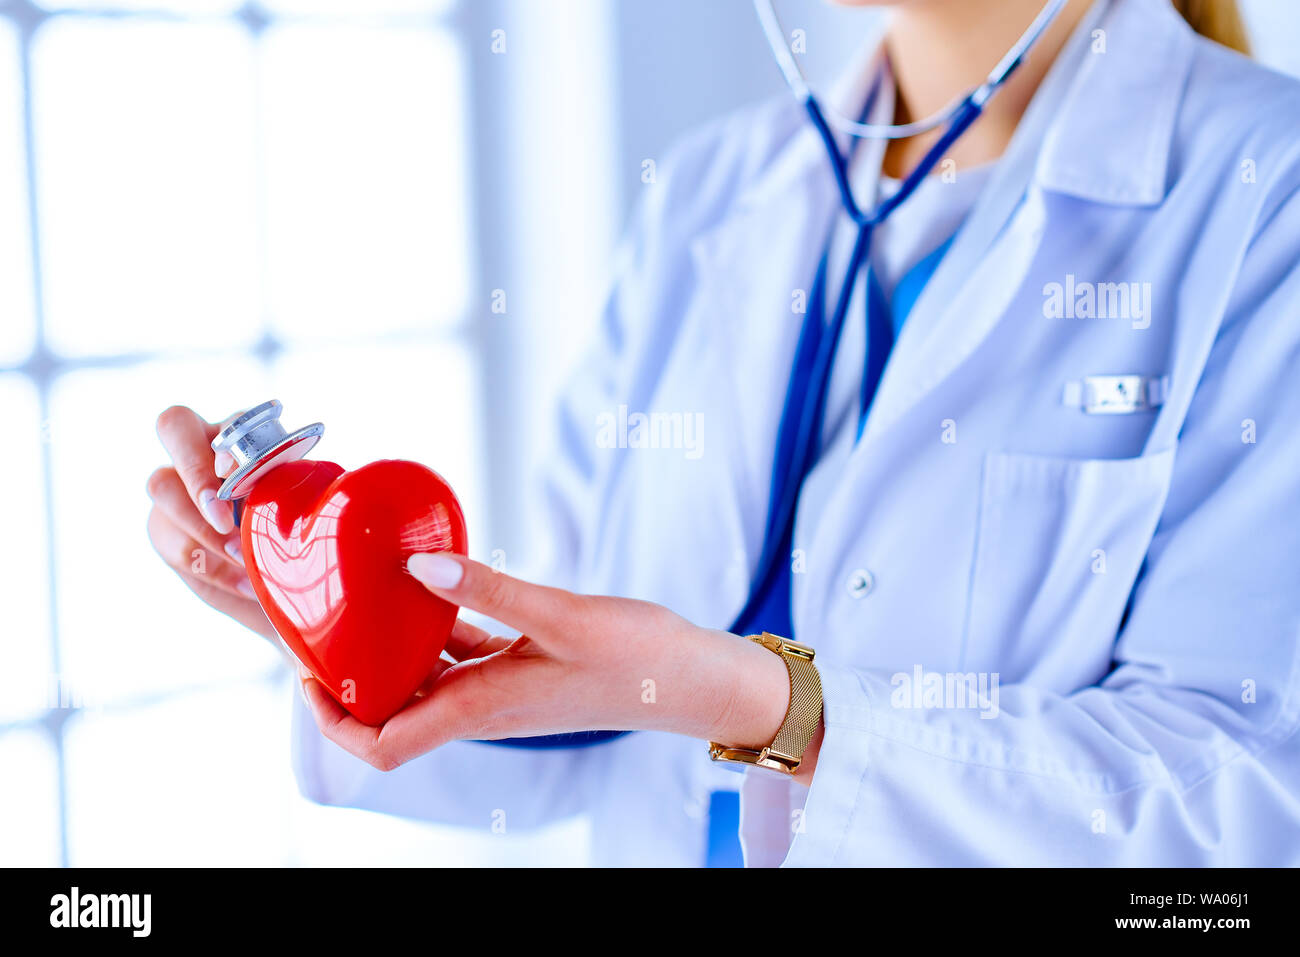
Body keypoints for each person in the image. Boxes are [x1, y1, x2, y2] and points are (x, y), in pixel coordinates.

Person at [147, 0, 1300, 866]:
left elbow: (1240, 818)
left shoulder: (1267, 193)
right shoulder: (710, 192)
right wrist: (343, 615)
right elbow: (559, 711)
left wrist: (760, 706)